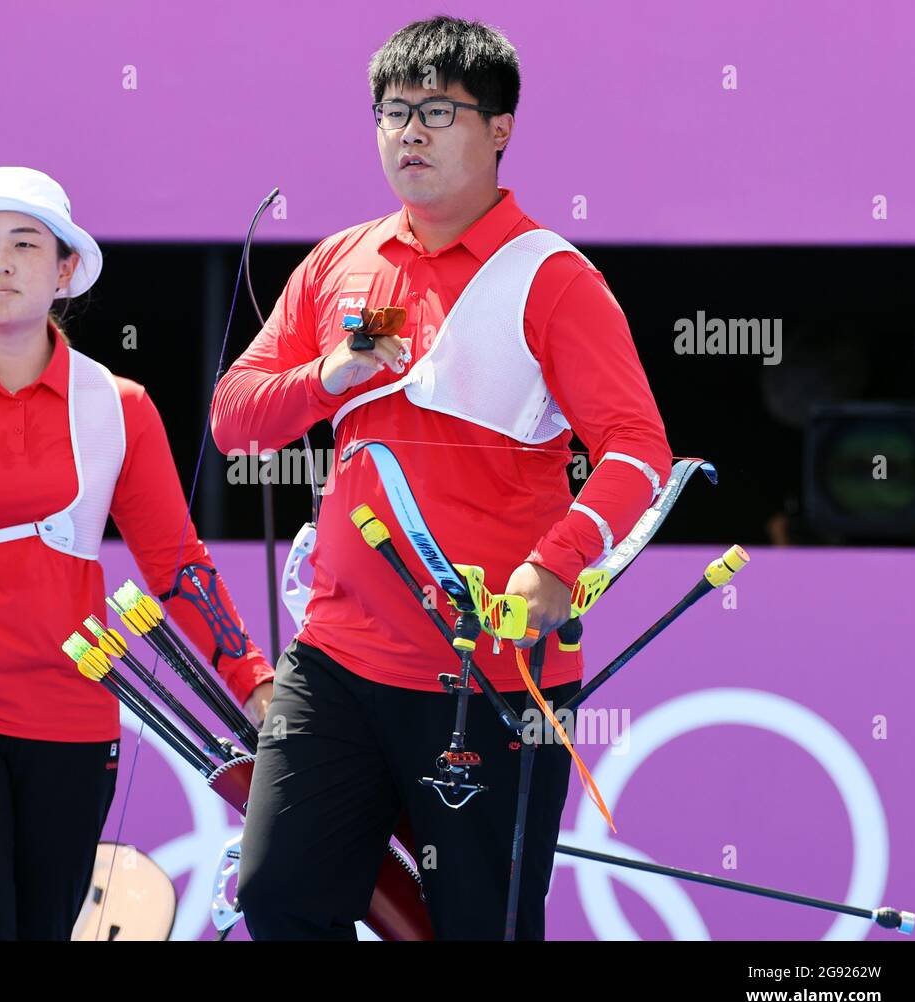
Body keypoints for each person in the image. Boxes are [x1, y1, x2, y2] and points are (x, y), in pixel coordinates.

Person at [211, 17, 672, 940]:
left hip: (492, 670)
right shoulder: (339, 261)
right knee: (276, 899)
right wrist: (327, 378)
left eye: (437, 111)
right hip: (337, 658)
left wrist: (558, 564)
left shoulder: (551, 278)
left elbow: (637, 453)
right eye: (392, 112)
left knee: (477, 927)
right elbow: (234, 419)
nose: (409, 132)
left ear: (500, 129)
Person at [0, 166, 274, 940]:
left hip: (69, 719)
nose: (1, 261)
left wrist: (255, 683)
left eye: (26, 244)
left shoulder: (118, 406)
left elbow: (177, 563)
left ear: (65, 269)